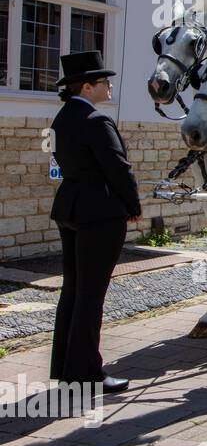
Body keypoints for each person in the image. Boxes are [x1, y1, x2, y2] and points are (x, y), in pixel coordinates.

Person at [49, 51, 141, 394]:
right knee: (91, 295)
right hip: (100, 212)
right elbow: (118, 167)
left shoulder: (62, 118)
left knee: (73, 290)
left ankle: (66, 367)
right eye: (104, 82)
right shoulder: (96, 120)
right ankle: (87, 373)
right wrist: (133, 204)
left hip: (70, 207)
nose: (110, 86)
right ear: (87, 86)